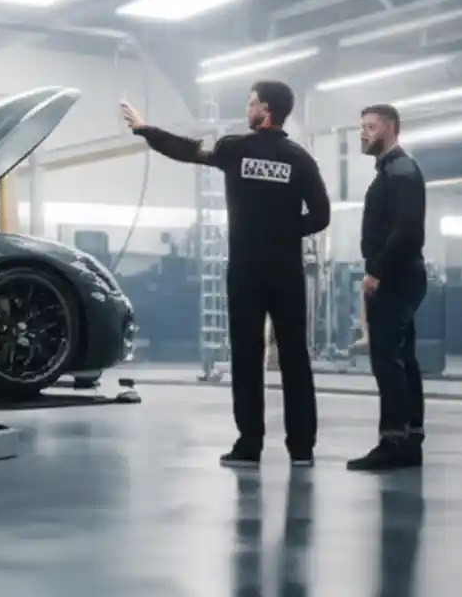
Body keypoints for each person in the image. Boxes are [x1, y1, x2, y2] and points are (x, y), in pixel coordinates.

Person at [121, 81, 330, 468]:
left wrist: (145, 130)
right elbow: (321, 216)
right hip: (286, 274)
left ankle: (249, 446)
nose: (247, 109)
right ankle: (302, 448)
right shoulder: (300, 159)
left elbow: (187, 151)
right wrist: (284, 229)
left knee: (247, 358)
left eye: (251, 102)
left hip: (247, 273)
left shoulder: (236, 149)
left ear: (265, 110)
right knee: (295, 358)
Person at [348, 104, 427, 471]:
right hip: (401, 274)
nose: (363, 133)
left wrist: (377, 271)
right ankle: (409, 441)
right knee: (402, 360)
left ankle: (393, 442)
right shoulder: (393, 171)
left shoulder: (401, 171)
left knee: (388, 361)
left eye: (371, 127)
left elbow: (407, 229)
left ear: (391, 129)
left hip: (395, 277)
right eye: (362, 127)